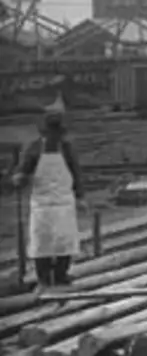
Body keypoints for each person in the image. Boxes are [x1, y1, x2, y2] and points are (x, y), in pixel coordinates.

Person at [12, 101, 83, 291]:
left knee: (64, 243)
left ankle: (60, 276)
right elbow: (22, 172)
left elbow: (75, 172)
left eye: (56, 132)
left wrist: (80, 196)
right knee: (42, 243)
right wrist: (19, 177)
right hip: (42, 205)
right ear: (44, 132)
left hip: (63, 204)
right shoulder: (34, 149)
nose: (53, 135)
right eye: (50, 131)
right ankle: (43, 278)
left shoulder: (66, 148)